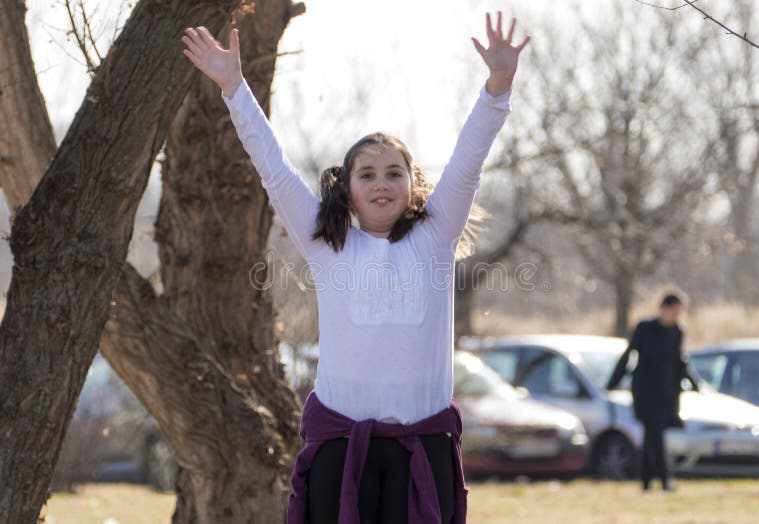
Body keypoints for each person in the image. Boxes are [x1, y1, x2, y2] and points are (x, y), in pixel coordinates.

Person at [181, 11, 530, 523]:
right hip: (343, 449)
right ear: (347, 187)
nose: (382, 183)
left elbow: (469, 159)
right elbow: (273, 168)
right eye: (367, 174)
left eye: (394, 172)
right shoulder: (326, 244)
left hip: (422, 447)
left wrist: (497, 86)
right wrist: (234, 88)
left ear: (413, 184)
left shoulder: (436, 238)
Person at [606, 292, 701, 492]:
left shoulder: (677, 331)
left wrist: (693, 383)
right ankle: (664, 479)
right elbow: (629, 355)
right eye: (674, 311)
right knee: (655, 434)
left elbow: (679, 362)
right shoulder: (644, 329)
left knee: (652, 436)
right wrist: (613, 381)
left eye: (679, 312)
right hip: (645, 392)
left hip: (666, 393)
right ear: (664, 308)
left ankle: (647, 480)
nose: (676, 315)